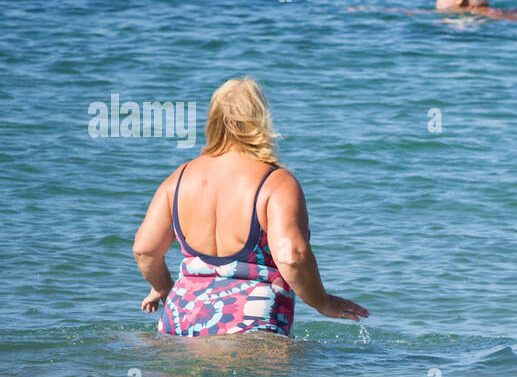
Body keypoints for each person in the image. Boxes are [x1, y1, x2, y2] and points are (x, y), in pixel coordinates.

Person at [133, 77, 369, 337]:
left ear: (212, 120)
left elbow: (145, 251)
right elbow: (291, 256)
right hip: (250, 323)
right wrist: (322, 302)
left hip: (181, 320)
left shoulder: (178, 180)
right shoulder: (276, 183)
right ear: (261, 120)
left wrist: (163, 287)